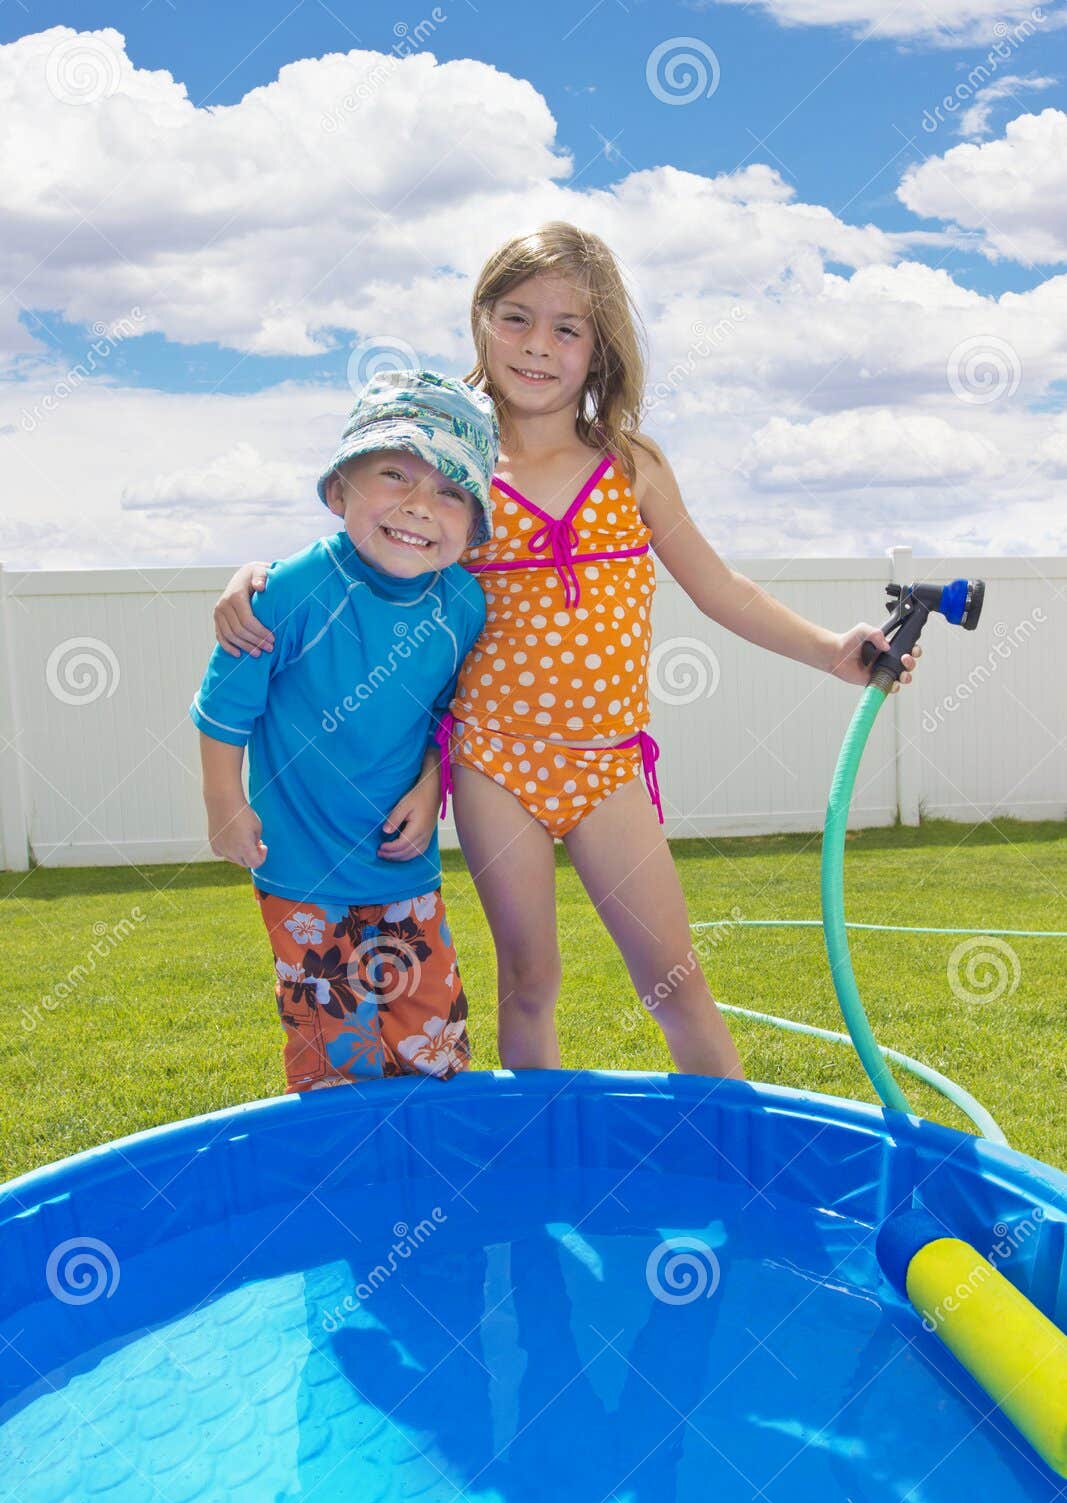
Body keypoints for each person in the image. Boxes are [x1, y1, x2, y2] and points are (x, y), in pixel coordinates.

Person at [211, 224, 921, 1082]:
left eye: (566, 329)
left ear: (599, 350)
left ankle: (734, 1166)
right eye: (515, 318)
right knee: (529, 981)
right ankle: (540, 1175)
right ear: (481, 323)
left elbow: (720, 588)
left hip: (606, 765)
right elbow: (370, 564)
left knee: (674, 982)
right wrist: (252, 578)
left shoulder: (631, 467)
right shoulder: (457, 479)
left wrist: (828, 650)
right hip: (491, 766)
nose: (537, 346)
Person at [191, 368, 496, 1091]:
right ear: (338, 492)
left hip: (402, 863)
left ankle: (435, 1181)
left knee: (430, 1036)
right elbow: (225, 704)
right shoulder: (290, 589)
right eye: (394, 474)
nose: (420, 506)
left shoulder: (464, 605)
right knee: (335, 1045)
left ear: (474, 525)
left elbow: (448, 718)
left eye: (450, 491)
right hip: (301, 864)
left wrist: (431, 789)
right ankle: (343, 1190)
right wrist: (223, 804)